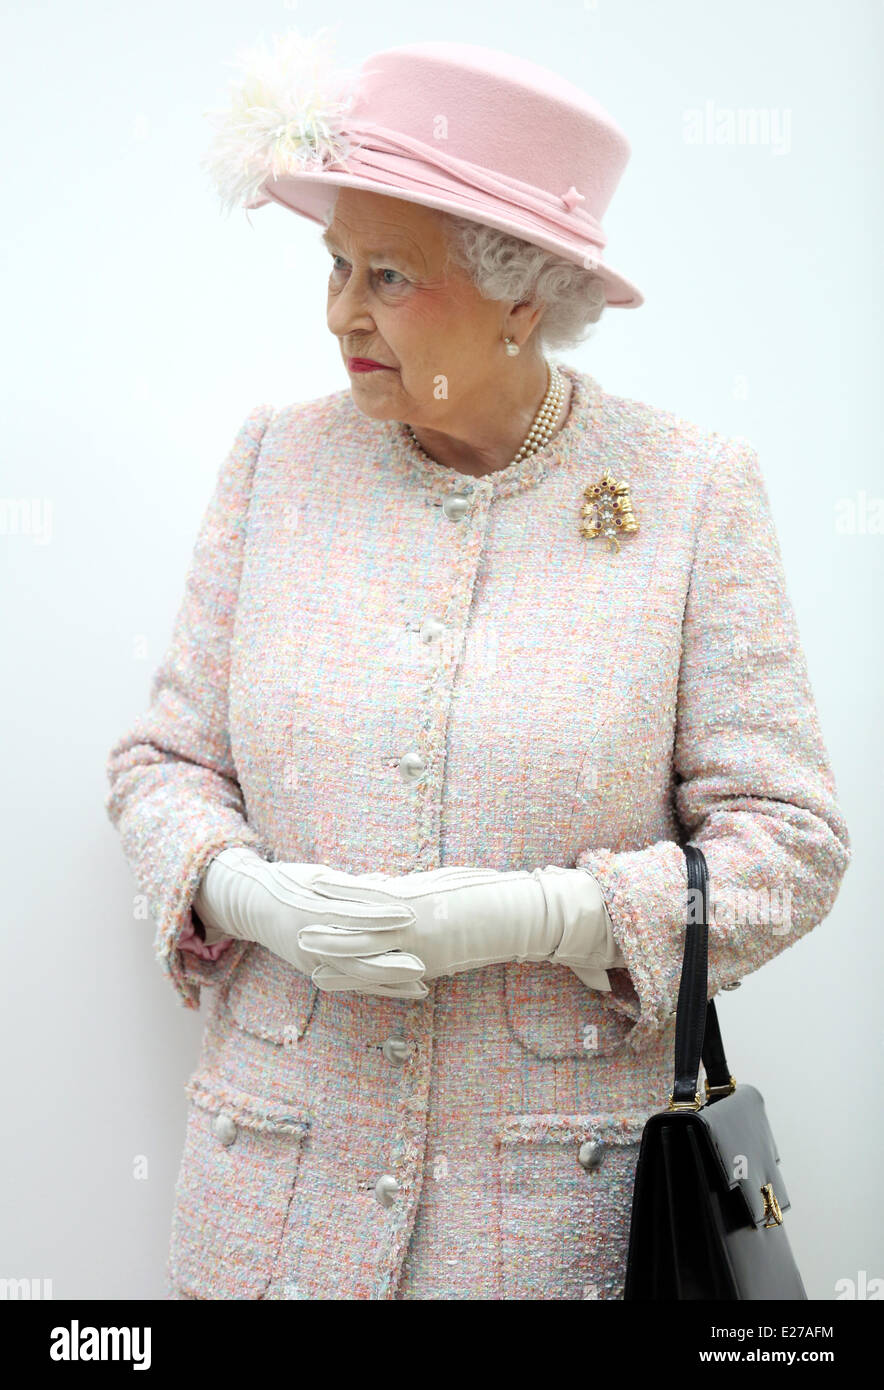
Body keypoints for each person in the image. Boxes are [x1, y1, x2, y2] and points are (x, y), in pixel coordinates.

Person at [104, 32, 850, 1300]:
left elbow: (789, 840)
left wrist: (547, 917)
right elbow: (163, 766)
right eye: (334, 264)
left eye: (388, 274)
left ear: (522, 294)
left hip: (555, 1222)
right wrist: (245, 895)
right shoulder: (274, 464)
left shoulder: (684, 493)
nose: (341, 310)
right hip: (272, 1205)